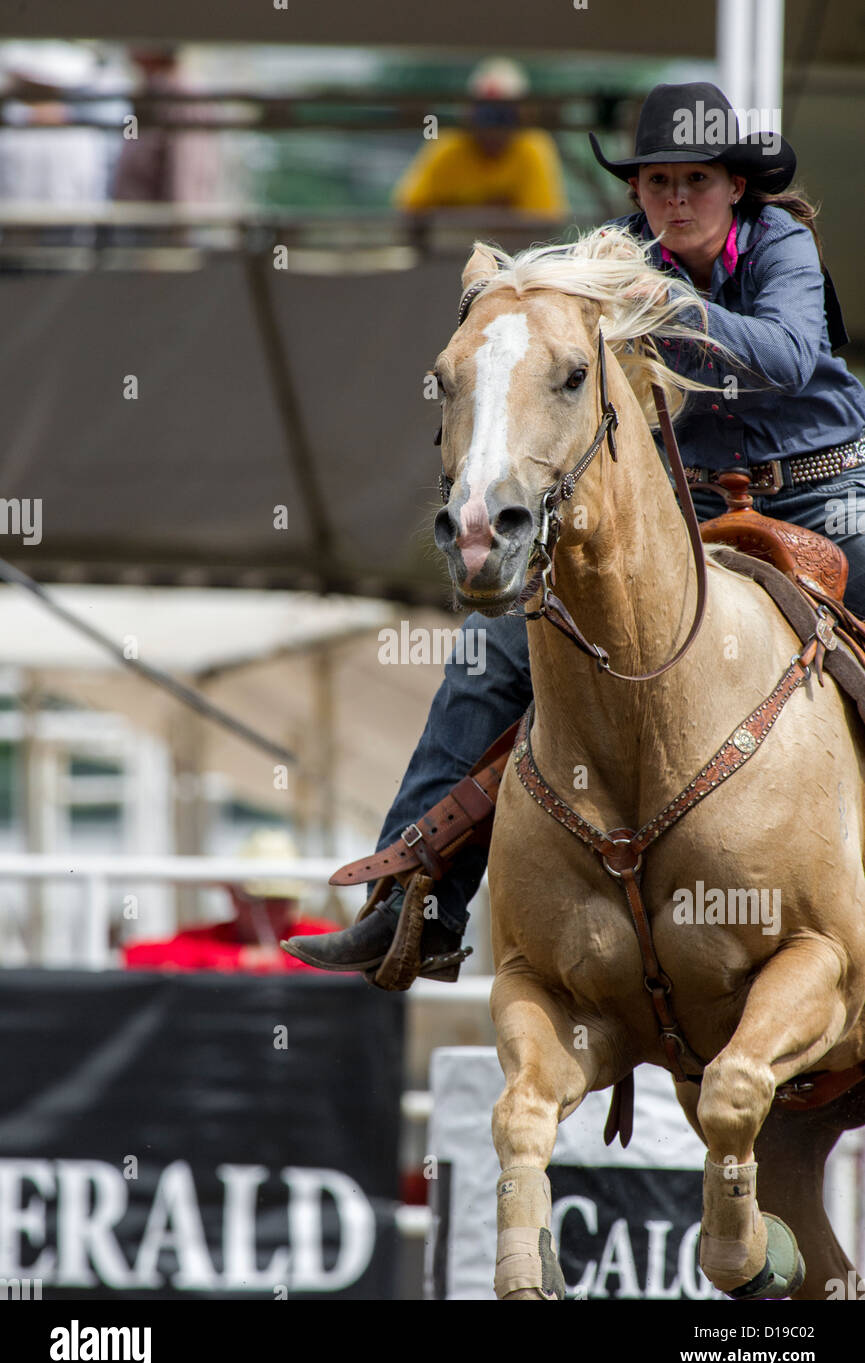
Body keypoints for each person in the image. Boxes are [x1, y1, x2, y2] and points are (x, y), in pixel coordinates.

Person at [286, 81, 865, 977]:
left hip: (827, 495)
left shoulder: (776, 244)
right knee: (491, 664)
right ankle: (419, 899)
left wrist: (650, 299)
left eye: (696, 180)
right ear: (635, 192)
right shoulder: (613, 267)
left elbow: (789, 355)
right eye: (657, 181)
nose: (676, 199)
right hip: (688, 512)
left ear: (735, 187)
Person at [123, 829, 337, 974]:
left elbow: (347, 963)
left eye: (282, 899)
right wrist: (242, 959)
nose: (273, 910)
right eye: (260, 901)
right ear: (233, 896)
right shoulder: (213, 939)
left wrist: (278, 961)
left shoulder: (315, 936)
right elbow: (136, 955)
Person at [393, 57, 568, 219]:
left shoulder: (533, 148)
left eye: (503, 115)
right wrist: (498, 212)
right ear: (469, 113)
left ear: (522, 116)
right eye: (485, 114)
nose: (493, 129)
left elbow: (543, 222)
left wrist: (457, 210)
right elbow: (410, 211)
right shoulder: (448, 148)